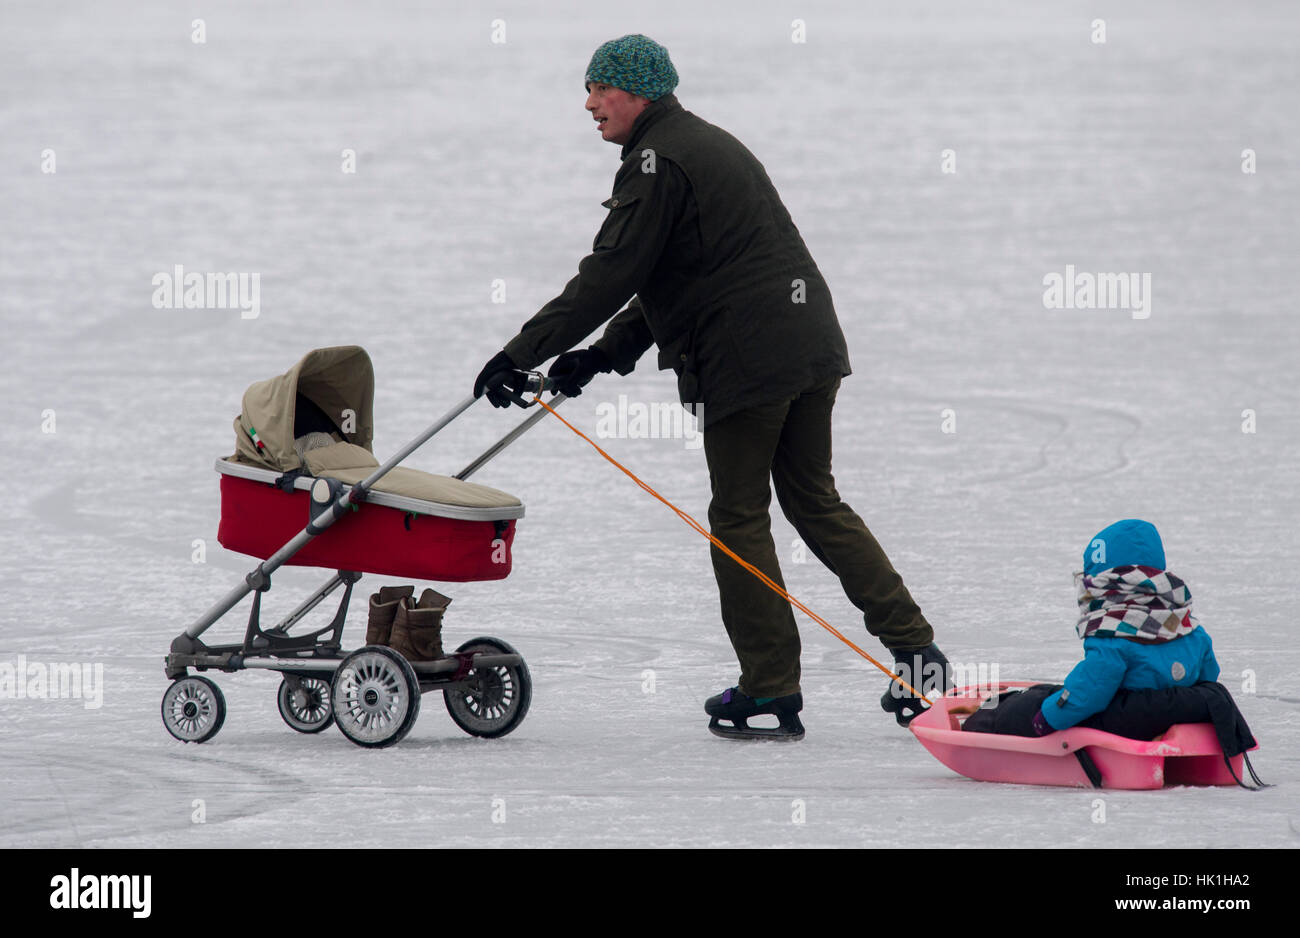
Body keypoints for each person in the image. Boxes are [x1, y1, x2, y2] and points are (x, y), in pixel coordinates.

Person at [474, 35, 950, 739]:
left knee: (737, 517)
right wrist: (600, 355)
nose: (589, 103)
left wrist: (520, 352)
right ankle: (919, 656)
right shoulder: (702, 144)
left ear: (635, 93)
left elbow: (610, 274)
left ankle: (769, 687)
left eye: (599, 88)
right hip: (808, 342)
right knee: (814, 500)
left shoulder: (655, 161)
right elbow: (679, 272)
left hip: (749, 358)